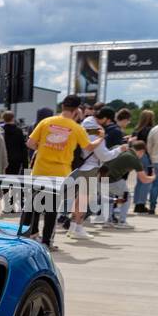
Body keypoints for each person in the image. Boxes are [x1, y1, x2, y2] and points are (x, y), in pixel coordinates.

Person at [24, 94, 103, 248]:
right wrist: (100, 138)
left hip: (39, 169)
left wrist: (43, 149)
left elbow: (30, 143)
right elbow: (88, 147)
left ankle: (31, 235)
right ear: (77, 111)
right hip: (59, 173)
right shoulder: (76, 128)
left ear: (62, 107)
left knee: (34, 205)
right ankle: (47, 242)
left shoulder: (46, 122)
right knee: (51, 210)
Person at [103, 139, 153, 229]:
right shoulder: (134, 159)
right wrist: (154, 177)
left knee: (110, 198)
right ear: (141, 151)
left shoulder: (119, 147)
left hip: (100, 176)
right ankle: (122, 222)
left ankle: (107, 221)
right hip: (113, 179)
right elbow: (144, 179)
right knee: (127, 197)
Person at [132, 108, 155, 212]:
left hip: (136, 156)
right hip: (146, 156)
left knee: (139, 180)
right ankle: (141, 204)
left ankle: (137, 202)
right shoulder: (151, 130)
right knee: (146, 181)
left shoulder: (136, 130)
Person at [1, 110, 28, 176]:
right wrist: (25, 164)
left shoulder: (2, 131)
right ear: (13, 118)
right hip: (16, 159)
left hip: (4, 158)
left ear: (3, 119)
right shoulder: (18, 131)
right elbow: (23, 147)